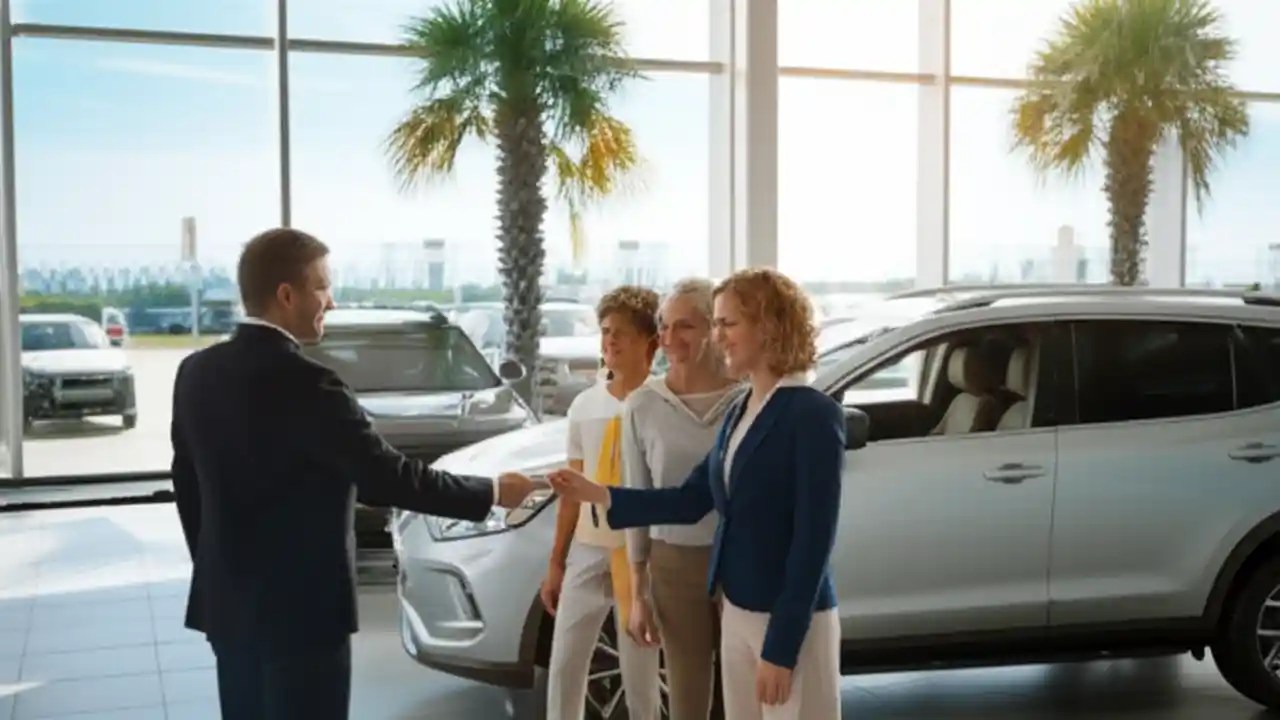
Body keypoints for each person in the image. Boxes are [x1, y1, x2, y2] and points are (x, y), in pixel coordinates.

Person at [169, 227, 535, 720]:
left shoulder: (195, 372)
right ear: (286, 295)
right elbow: (388, 477)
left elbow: (187, 487)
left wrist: (218, 569)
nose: (331, 302)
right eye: (322, 286)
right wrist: (492, 491)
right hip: (303, 615)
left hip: (228, 604)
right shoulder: (308, 384)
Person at [548, 268, 846, 720]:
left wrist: (781, 648)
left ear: (768, 327)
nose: (719, 337)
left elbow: (813, 544)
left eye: (727, 324)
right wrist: (600, 494)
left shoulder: (813, 414)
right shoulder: (743, 412)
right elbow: (689, 500)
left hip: (786, 624)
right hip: (739, 610)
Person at [540, 285, 664, 720]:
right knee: (565, 663)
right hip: (588, 547)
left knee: (641, 670)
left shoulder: (660, 403)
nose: (610, 342)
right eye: (606, 332)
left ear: (650, 342)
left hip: (639, 552)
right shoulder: (584, 406)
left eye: (622, 334)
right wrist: (557, 561)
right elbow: (571, 493)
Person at [622, 278, 744, 720]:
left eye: (685, 327)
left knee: (743, 690)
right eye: (665, 326)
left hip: (741, 560)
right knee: (688, 695)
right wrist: (638, 593)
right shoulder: (642, 406)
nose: (670, 340)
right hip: (673, 563)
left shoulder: (749, 398)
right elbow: (637, 502)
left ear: (714, 329)